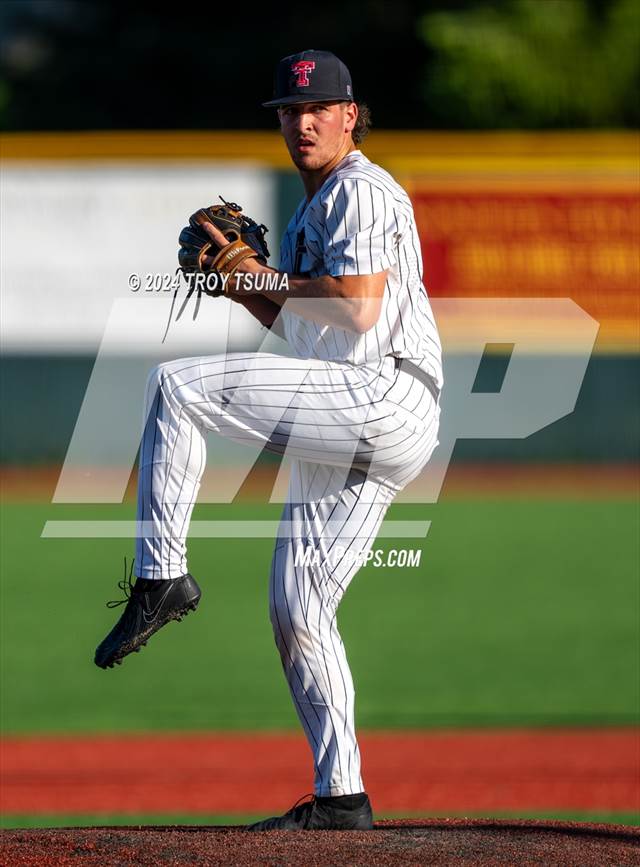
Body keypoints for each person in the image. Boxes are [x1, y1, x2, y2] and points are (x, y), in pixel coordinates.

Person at [94, 49, 443, 831]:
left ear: (351, 114)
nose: (303, 119)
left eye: (319, 106)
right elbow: (300, 327)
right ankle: (341, 795)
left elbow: (354, 309)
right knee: (299, 605)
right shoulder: (307, 212)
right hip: (352, 406)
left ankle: (162, 576)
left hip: (383, 393)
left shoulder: (361, 189)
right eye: (289, 109)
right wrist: (241, 280)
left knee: (178, 387)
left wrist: (253, 274)